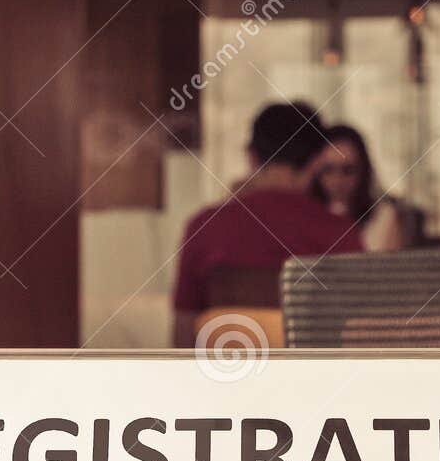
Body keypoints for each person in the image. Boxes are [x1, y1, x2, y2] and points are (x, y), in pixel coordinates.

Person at [171, 102, 362, 346]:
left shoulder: (203, 227)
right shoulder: (341, 234)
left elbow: (182, 340)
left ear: (251, 155)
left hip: (225, 380)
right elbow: (355, 340)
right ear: (316, 161)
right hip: (312, 381)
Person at [312, 124, 406, 252]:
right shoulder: (306, 216)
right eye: (328, 170)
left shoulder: (384, 217)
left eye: (348, 170)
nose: (337, 181)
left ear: (363, 171)